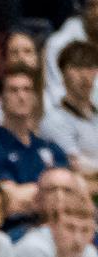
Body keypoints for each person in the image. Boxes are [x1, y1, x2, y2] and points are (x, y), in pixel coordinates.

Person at [0, 65, 64, 221]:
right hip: (17, 228)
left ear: (35, 98)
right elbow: (10, 200)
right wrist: (55, 190)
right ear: (0, 99)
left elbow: (74, 190)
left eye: (27, 90)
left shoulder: (49, 147)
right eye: (13, 90)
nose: (21, 96)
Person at [43, 40, 98, 178]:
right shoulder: (55, 120)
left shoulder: (95, 116)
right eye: (77, 67)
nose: (85, 76)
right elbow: (76, 166)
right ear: (63, 73)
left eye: (90, 67)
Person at [44, 0, 98, 111]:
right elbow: (57, 93)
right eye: (92, 5)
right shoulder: (60, 44)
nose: (97, 12)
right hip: (68, 115)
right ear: (82, 10)